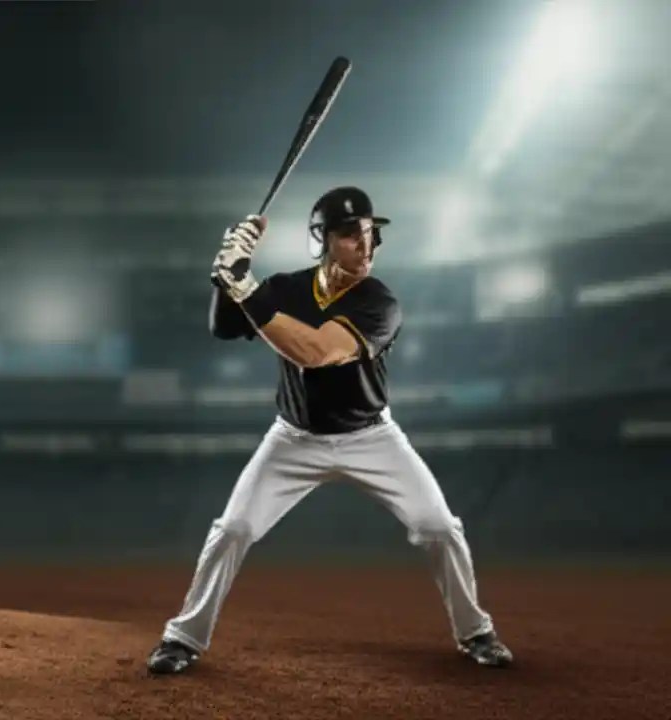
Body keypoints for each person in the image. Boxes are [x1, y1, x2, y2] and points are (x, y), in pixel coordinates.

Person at [146, 187, 514, 675]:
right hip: (293, 439)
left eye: (370, 233)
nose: (366, 245)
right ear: (321, 239)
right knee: (233, 529)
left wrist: (244, 286)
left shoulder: (379, 303)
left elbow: (316, 353)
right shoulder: (286, 288)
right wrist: (225, 275)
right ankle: (182, 638)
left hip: (372, 438)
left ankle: (476, 632)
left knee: (440, 527)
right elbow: (225, 327)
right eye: (350, 235)